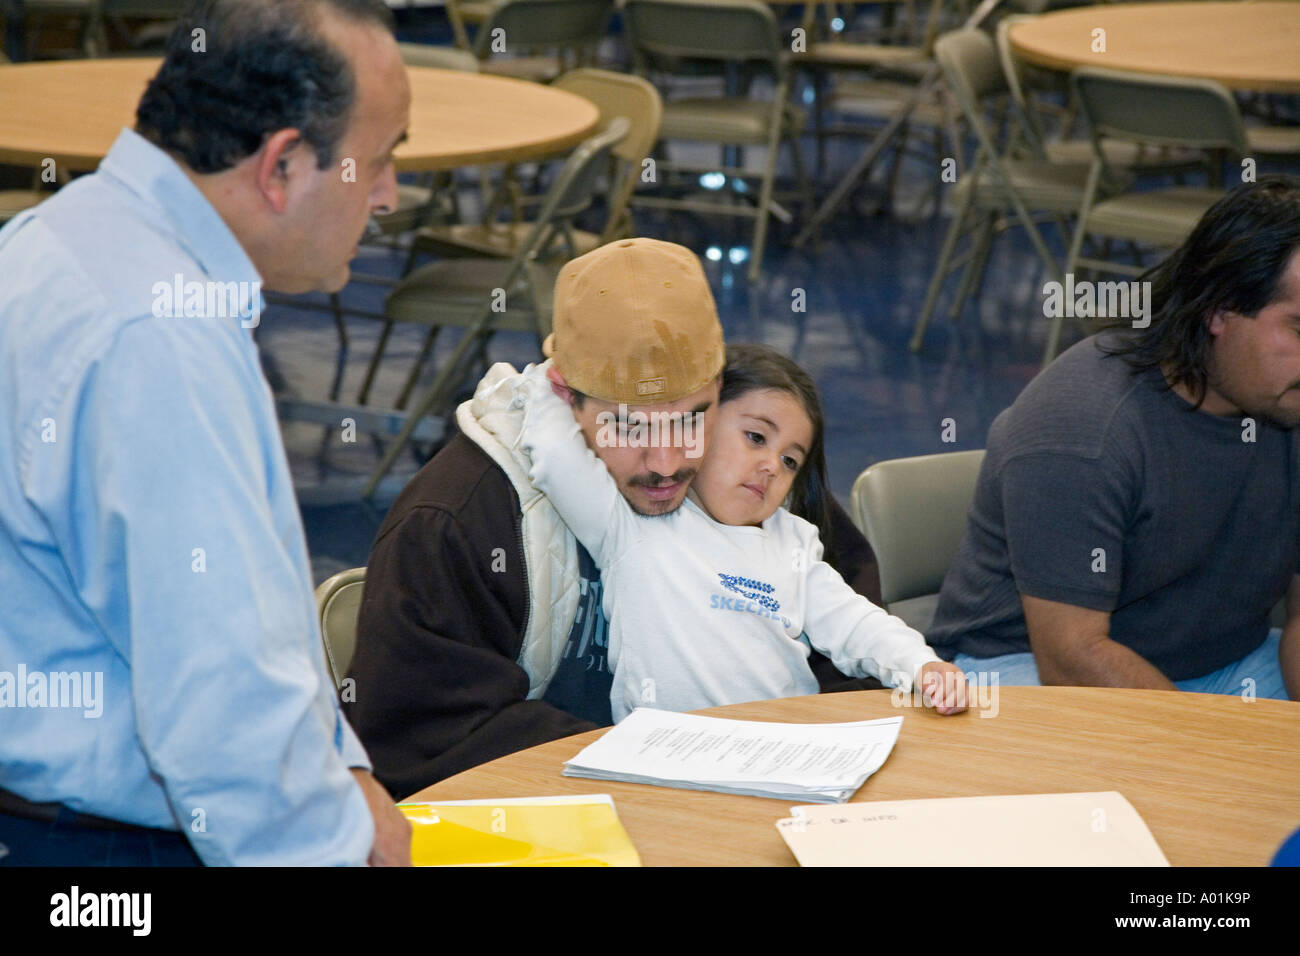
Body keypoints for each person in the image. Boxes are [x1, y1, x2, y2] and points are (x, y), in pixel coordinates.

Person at [0, 0, 412, 864]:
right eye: (376, 163)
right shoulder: (160, 341)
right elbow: (223, 712)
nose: (389, 197)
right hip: (104, 842)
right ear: (283, 166)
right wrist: (333, 844)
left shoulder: (63, 238)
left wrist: (345, 769)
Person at [346, 238, 892, 798]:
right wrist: (654, 768)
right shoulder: (455, 521)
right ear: (564, 394)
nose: (666, 464)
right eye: (630, 428)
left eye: (691, 419)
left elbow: (849, 658)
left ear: (721, 388)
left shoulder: (752, 473)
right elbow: (420, 745)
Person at [926, 176, 1300, 700]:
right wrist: (1215, 753)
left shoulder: (1284, 397)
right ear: (1218, 310)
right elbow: (1072, 657)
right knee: (1192, 779)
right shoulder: (1084, 429)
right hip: (1027, 667)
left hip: (1224, 661)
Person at [519, 342, 970, 719]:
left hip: (785, 747)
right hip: (666, 757)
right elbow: (558, 460)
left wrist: (920, 665)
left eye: (791, 460)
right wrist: (552, 381)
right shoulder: (634, 522)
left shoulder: (792, 542)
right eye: (756, 437)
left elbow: (856, 623)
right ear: (699, 423)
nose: (772, 465)